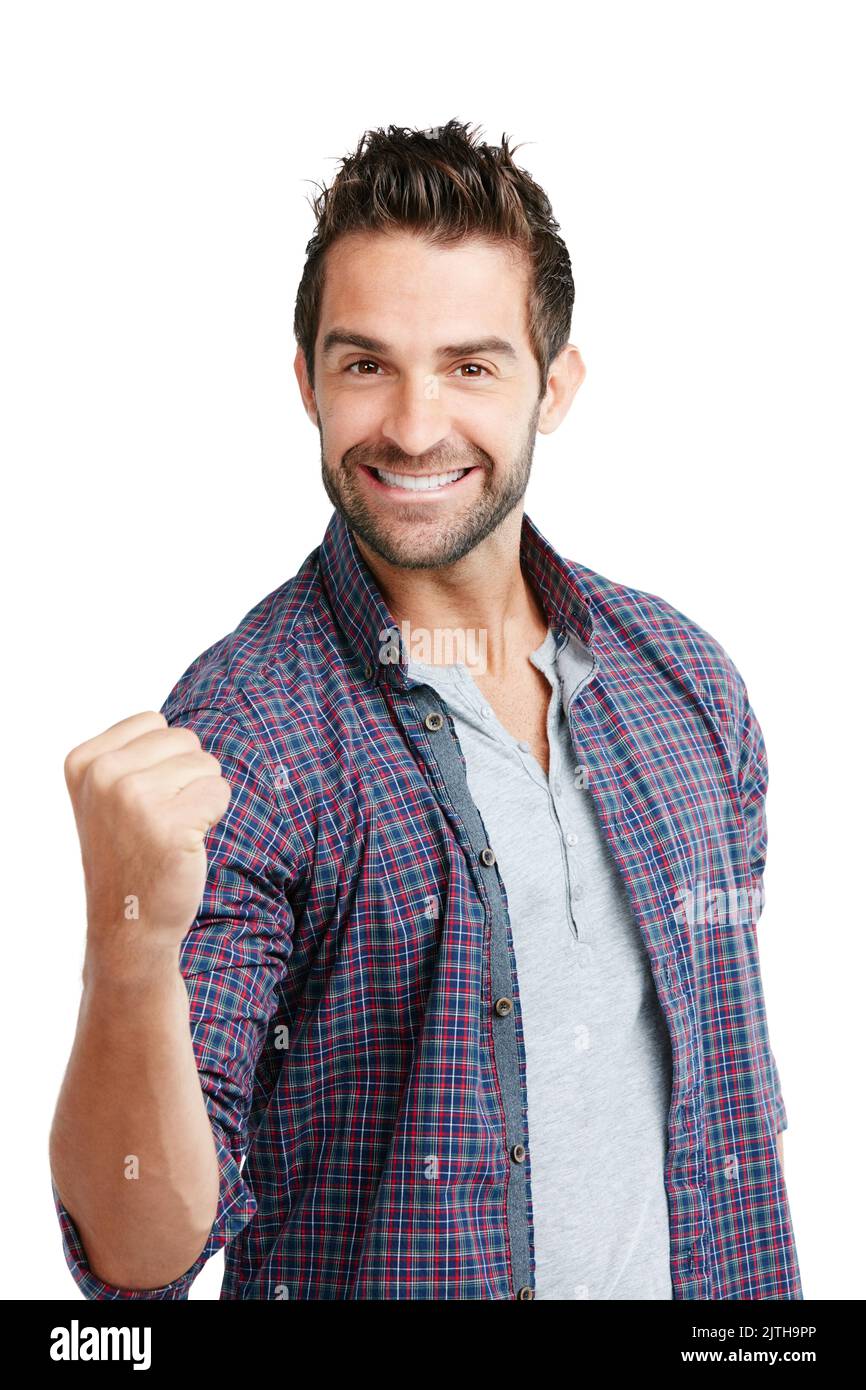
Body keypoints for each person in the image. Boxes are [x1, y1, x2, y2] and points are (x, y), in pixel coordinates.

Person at [49, 119, 801, 1300]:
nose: (409, 425)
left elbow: (720, 1136)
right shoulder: (248, 733)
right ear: (305, 381)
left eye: (469, 365)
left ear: (552, 385)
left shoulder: (685, 688)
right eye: (364, 365)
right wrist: (127, 951)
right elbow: (139, 1256)